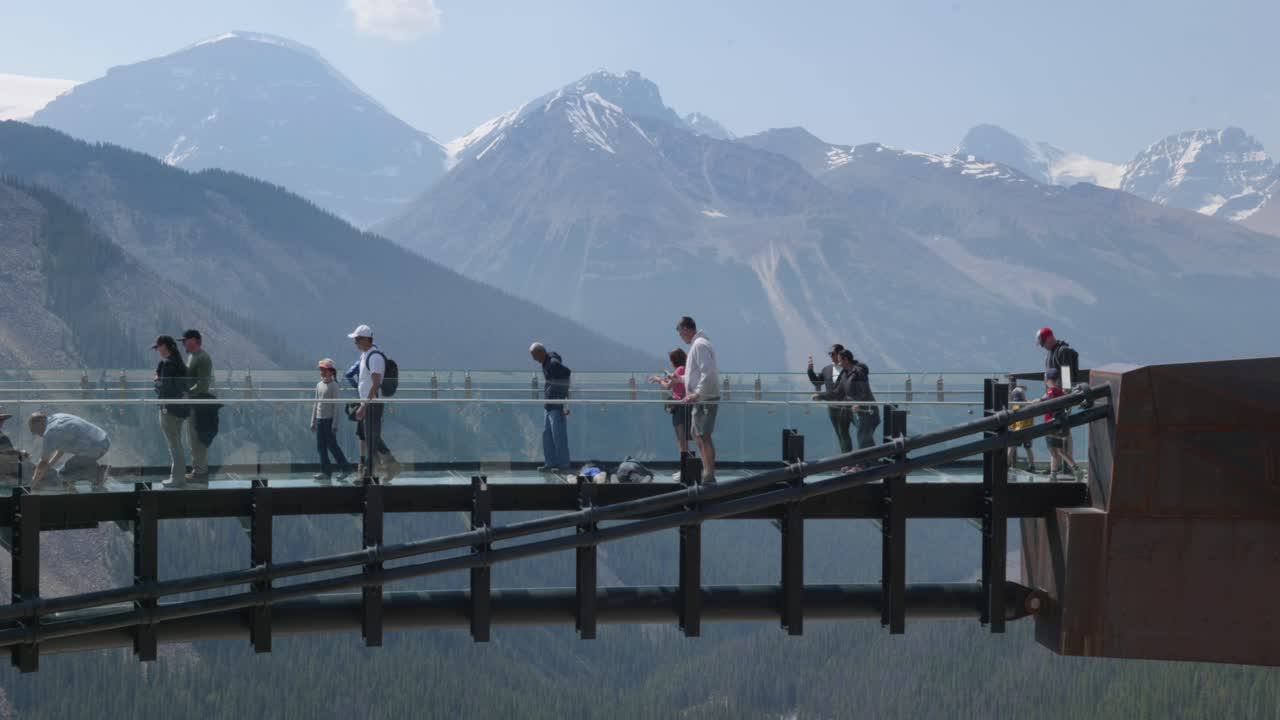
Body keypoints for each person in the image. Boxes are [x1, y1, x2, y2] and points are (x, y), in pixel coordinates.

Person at [349, 325, 401, 482]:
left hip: (372, 403)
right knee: (371, 436)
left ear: (366, 340)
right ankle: (388, 466)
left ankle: (370, 474)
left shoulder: (375, 357)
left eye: (358, 339)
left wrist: (364, 406)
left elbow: (376, 383)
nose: (355, 343)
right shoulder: (366, 355)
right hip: (368, 401)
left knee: (371, 437)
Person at [677, 316, 720, 484]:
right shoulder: (699, 344)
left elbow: (707, 372)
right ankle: (706, 469)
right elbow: (695, 374)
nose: (681, 337)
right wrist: (679, 380)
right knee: (696, 433)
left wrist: (697, 393)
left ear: (686, 329)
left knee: (704, 435)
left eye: (681, 333)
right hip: (702, 398)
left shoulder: (699, 345)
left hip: (705, 398)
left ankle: (709, 474)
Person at [28, 411, 110, 491]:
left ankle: (97, 474)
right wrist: (49, 466)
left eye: (34, 431)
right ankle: (87, 476)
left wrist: (32, 483)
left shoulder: (50, 432)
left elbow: (43, 462)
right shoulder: (58, 417)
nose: (37, 435)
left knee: (63, 474)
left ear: (39, 424)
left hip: (94, 448)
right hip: (104, 440)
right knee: (65, 469)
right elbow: (61, 450)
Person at [1036, 327, 1081, 463]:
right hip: (1054, 398)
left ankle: (1068, 464)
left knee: (1065, 430)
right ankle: (1061, 464)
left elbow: (1066, 377)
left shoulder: (1063, 351)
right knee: (1059, 429)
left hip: (1061, 398)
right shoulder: (1051, 352)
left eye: (1043, 343)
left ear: (1050, 338)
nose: (1043, 346)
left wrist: (1065, 398)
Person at [179, 329, 215, 485]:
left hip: (200, 403)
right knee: (192, 438)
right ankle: (198, 470)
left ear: (194, 340)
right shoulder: (192, 356)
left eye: (185, 340)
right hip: (194, 403)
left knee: (197, 438)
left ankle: (200, 472)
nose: (183, 343)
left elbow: (203, 383)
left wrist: (189, 393)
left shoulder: (203, 358)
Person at [152, 335, 189, 485]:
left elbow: (165, 388)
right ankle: (178, 476)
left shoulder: (167, 364)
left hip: (168, 409)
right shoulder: (179, 363)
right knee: (177, 442)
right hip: (179, 409)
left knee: (174, 444)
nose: (157, 351)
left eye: (158, 347)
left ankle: (177, 478)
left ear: (163, 347)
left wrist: (156, 381)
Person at [530, 342, 571, 472]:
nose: (534, 359)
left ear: (541, 352)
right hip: (548, 404)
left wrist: (561, 395)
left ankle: (563, 464)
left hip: (556, 404)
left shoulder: (552, 363)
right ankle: (550, 462)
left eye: (534, 355)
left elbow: (567, 372)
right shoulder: (546, 362)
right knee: (547, 434)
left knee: (558, 435)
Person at [310, 358, 352, 482]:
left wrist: (335, 424)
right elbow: (315, 403)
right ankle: (326, 471)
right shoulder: (319, 385)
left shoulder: (334, 386)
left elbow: (336, 407)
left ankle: (346, 468)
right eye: (321, 369)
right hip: (319, 419)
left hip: (328, 421)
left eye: (324, 369)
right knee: (321, 446)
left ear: (331, 371)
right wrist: (313, 421)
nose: (321, 372)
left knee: (332, 446)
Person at [808, 344, 852, 453]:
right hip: (832, 406)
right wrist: (810, 371)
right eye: (829, 354)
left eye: (832, 354)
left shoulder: (848, 369)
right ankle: (846, 459)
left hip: (845, 406)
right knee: (839, 433)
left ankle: (851, 460)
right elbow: (817, 382)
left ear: (840, 354)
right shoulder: (827, 369)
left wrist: (821, 396)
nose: (830, 356)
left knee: (844, 432)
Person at [649, 348, 691, 458]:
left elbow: (668, 386)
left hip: (679, 405)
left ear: (674, 360)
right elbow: (674, 383)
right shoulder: (686, 369)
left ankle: (685, 467)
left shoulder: (679, 370)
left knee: (681, 439)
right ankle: (686, 466)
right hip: (686, 405)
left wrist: (659, 380)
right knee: (684, 440)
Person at [1039, 369, 1080, 480]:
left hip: (1051, 425)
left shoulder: (1051, 390)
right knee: (1061, 451)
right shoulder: (1060, 392)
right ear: (1057, 379)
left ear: (1046, 379)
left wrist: (1038, 401)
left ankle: (1053, 475)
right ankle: (1076, 469)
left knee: (1053, 452)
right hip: (1062, 425)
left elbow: (1047, 399)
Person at [845, 351, 880, 451]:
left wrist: (858, 403)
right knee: (865, 439)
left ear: (846, 360)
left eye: (840, 361)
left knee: (863, 438)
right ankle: (869, 462)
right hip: (864, 413)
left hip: (868, 412)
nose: (839, 364)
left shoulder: (858, 372)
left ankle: (865, 463)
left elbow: (863, 392)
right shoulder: (849, 374)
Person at [1007, 376, 1036, 472]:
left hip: (1017, 430)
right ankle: (1032, 466)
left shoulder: (1014, 406)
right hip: (1028, 431)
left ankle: (1007, 464)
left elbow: (1012, 420)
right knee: (1028, 448)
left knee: (1011, 448)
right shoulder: (1029, 405)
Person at [0, 410, 31, 482]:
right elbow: (8, 454)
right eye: (1, 420)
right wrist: (22, 454)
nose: (2, 422)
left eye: (2, 420)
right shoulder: (2, 438)